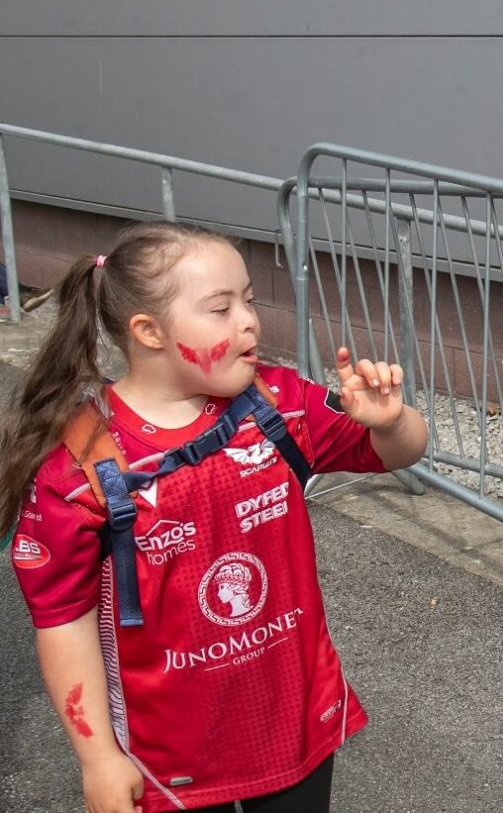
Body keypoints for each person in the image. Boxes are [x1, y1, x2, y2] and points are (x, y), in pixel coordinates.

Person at [2, 221, 428, 813]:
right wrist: (98, 757)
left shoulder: (279, 402)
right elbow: (62, 621)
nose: (250, 320)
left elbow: (398, 454)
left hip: (291, 725)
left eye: (249, 300)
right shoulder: (80, 463)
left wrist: (390, 421)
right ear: (148, 332)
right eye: (220, 308)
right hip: (167, 755)